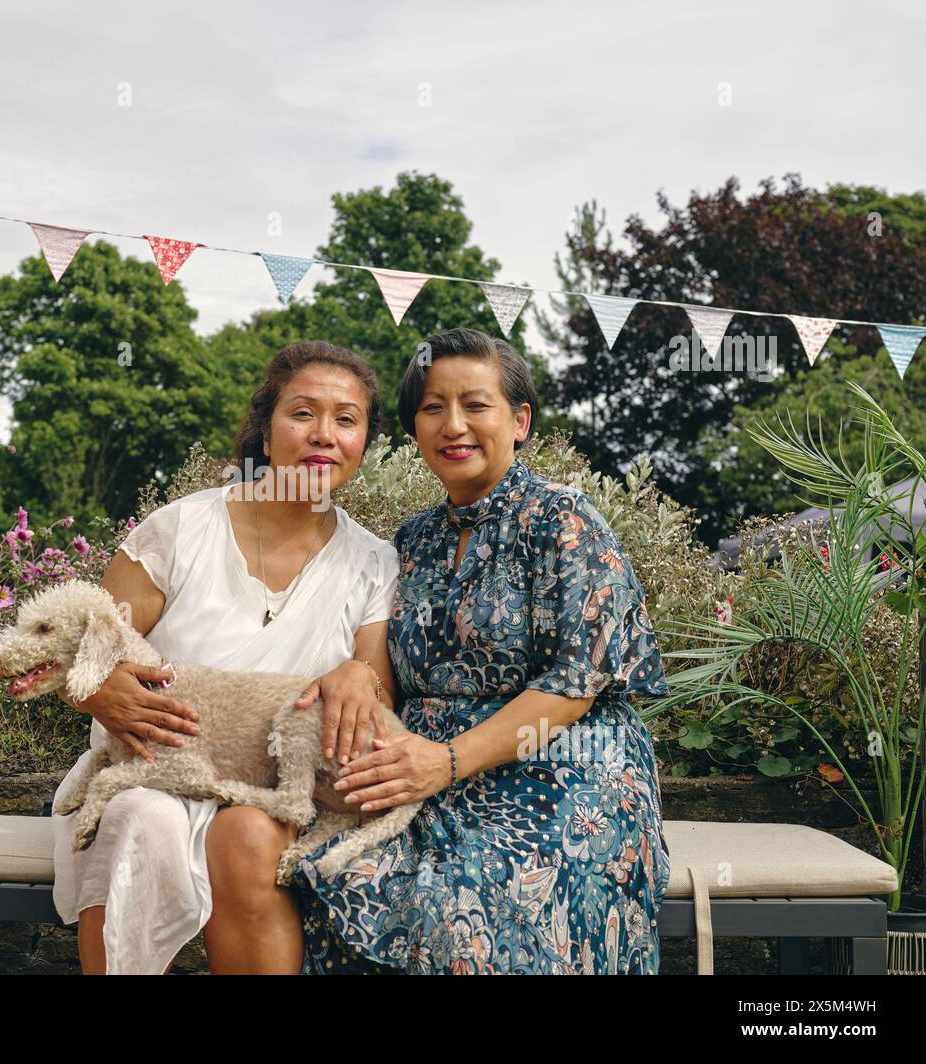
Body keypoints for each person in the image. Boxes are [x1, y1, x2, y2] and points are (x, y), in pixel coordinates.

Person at [290, 327, 672, 974]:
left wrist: (445, 760)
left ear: (519, 421)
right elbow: (384, 669)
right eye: (433, 407)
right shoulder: (412, 540)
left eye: (476, 404)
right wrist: (356, 675)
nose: (453, 424)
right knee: (333, 874)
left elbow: (575, 683)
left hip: (561, 765)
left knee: (469, 897)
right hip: (420, 771)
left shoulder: (566, 522)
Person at [51, 340, 400, 974]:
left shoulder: (374, 562)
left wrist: (359, 675)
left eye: (346, 420)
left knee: (251, 835)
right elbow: (83, 648)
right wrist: (99, 691)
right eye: (302, 413)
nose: (324, 435)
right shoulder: (181, 530)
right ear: (265, 436)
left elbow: (374, 698)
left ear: (363, 445)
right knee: (134, 814)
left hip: (277, 784)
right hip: (160, 767)